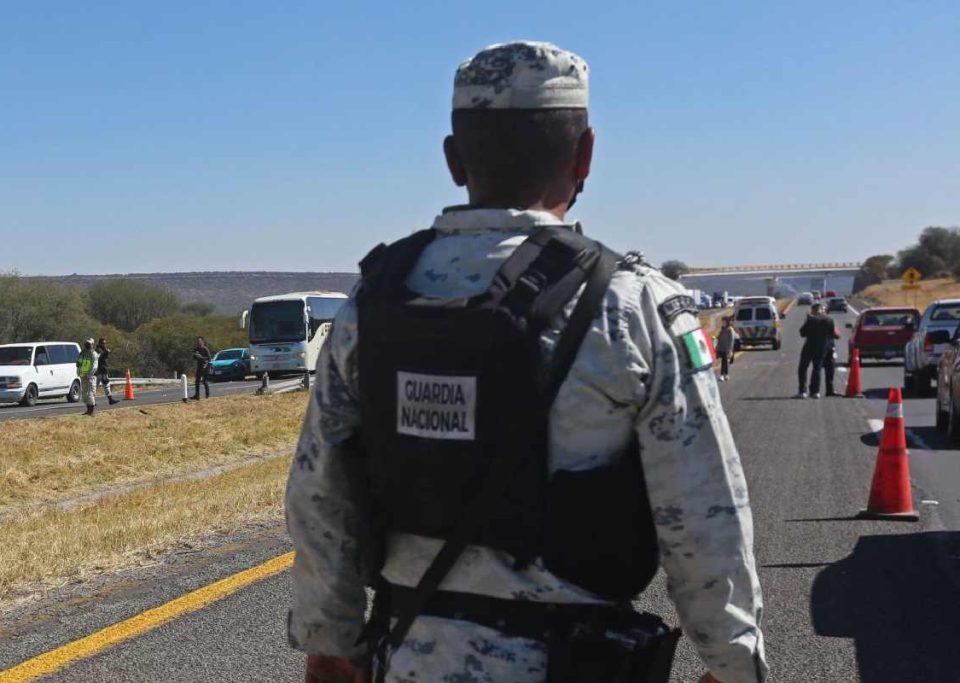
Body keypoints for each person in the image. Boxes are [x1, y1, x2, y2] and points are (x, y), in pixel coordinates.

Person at [286, 41, 766, 683]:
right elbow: (703, 518)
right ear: (585, 155)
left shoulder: (373, 300)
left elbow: (320, 492)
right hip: (569, 662)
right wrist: (733, 662)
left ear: (453, 159)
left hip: (406, 656)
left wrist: (330, 640)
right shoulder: (631, 306)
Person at [797, 303, 837, 398]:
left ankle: (803, 391)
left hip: (809, 347)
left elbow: (802, 333)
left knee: (803, 368)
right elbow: (833, 334)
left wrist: (807, 321)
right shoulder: (829, 320)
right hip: (822, 348)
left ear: (813, 310)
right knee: (817, 368)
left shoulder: (810, 320)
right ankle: (815, 392)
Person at [94, 338, 121, 405]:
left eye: (105, 343)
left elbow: (103, 357)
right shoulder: (98, 350)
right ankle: (109, 400)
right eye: (103, 343)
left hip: (100, 370)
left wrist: (106, 352)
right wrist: (106, 352)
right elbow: (101, 357)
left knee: (100, 386)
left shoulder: (101, 349)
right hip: (101, 370)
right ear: (100, 343)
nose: (104, 344)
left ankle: (93, 401)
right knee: (104, 385)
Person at [76, 338, 99, 416]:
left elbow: (95, 366)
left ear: (92, 344)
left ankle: (91, 411)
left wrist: (90, 374)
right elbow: (78, 362)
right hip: (83, 375)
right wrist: (78, 367)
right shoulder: (82, 353)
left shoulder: (94, 354)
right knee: (84, 394)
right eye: (86, 343)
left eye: (89, 343)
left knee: (91, 393)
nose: (87, 345)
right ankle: (88, 409)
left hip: (91, 376)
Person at [716, 316, 739, 382]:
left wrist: (730, 350)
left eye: (724, 322)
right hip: (721, 348)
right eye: (722, 322)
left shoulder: (730, 329)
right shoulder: (722, 329)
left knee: (724, 362)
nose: (722, 323)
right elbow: (719, 338)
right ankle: (726, 375)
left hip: (727, 349)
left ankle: (722, 375)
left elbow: (731, 340)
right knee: (724, 362)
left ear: (727, 322)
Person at [822, 325, 841, 397]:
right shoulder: (829, 322)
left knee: (816, 369)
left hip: (817, 348)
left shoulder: (812, 321)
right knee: (829, 370)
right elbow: (837, 335)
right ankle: (829, 390)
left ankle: (814, 391)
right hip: (828, 349)